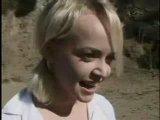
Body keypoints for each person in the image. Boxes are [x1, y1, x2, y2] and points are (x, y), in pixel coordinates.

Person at [2, 0, 123, 120]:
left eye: (109, 58)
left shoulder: (103, 109)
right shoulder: (15, 116)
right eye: (89, 55)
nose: (103, 71)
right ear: (50, 51)